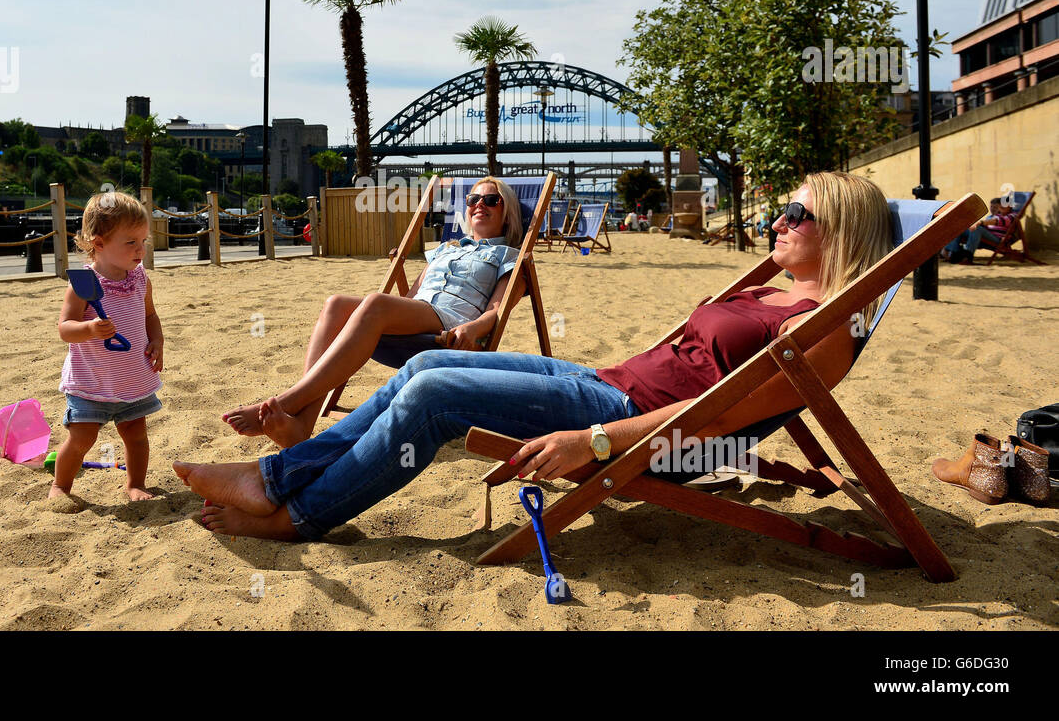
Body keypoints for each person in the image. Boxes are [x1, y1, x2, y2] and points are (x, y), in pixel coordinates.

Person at [176, 171, 890, 542]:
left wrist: (594, 441)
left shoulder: (826, 328)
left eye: (796, 214)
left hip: (624, 416)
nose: (777, 221)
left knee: (432, 398)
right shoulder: (778, 289)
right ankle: (277, 476)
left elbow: (710, 421)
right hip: (606, 379)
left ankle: (292, 510)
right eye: (783, 210)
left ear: (843, 229)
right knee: (424, 367)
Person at [222, 177, 525, 448]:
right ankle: (303, 424)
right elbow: (410, 297)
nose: (480, 205)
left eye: (491, 200)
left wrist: (473, 329)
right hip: (419, 314)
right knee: (336, 303)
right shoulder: (446, 248)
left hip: (451, 325)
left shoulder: (511, 257)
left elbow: (496, 311)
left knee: (376, 302)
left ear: (506, 211)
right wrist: (385, 311)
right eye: (474, 199)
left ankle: (287, 401)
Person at [52, 190, 165, 503]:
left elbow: (150, 315)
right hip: (92, 382)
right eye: (131, 242)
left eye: (143, 241)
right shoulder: (83, 285)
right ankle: (61, 487)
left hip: (132, 380)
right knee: (81, 439)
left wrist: (157, 340)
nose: (140, 249)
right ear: (98, 243)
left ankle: (135, 484)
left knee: (136, 436)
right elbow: (65, 329)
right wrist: (88, 328)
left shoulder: (140, 279)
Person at [944, 197, 1017, 264]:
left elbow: (998, 221)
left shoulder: (1012, 216)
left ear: (1010, 206)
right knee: (960, 228)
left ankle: (967, 257)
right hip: (986, 235)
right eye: (1001, 205)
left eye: (1004, 205)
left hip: (997, 239)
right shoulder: (995, 215)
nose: (1001, 207)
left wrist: (980, 223)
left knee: (977, 229)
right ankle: (952, 253)